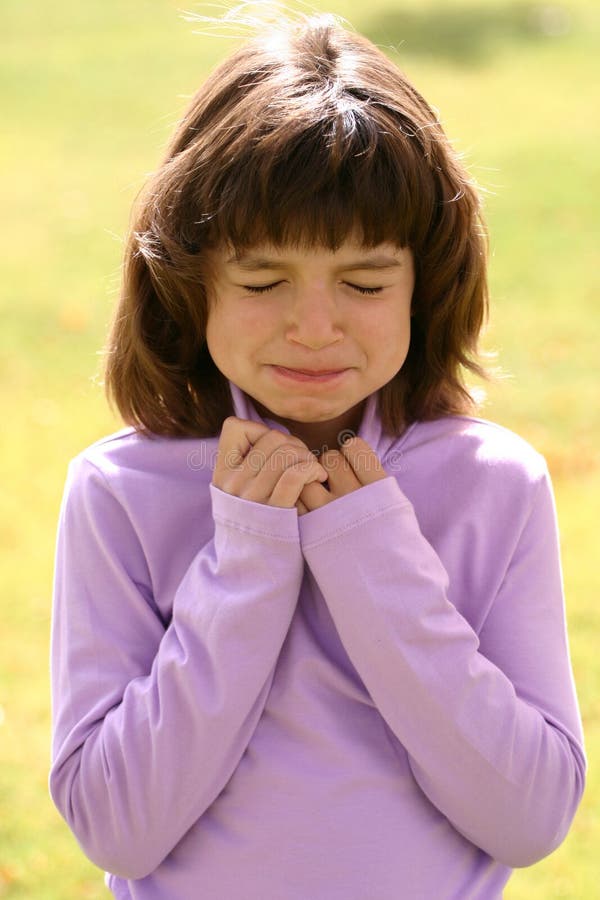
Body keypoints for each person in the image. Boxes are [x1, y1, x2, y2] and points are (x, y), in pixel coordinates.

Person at [49, 11, 586, 900]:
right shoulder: (117, 493)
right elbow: (118, 829)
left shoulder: (495, 486)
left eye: (365, 283)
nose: (314, 326)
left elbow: (528, 821)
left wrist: (373, 557)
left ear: (427, 281)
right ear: (190, 283)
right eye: (262, 283)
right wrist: (247, 562)